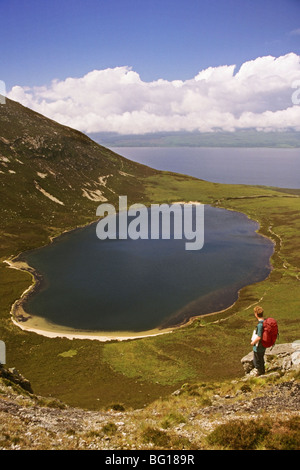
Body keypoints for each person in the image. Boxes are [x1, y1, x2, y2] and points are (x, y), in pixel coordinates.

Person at [250, 306, 266, 376]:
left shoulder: (260, 325)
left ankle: (259, 373)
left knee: (256, 360)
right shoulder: (265, 322)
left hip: (258, 346)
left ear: (256, 314)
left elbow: (259, 337)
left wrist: (253, 342)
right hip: (263, 345)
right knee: (261, 358)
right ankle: (263, 371)